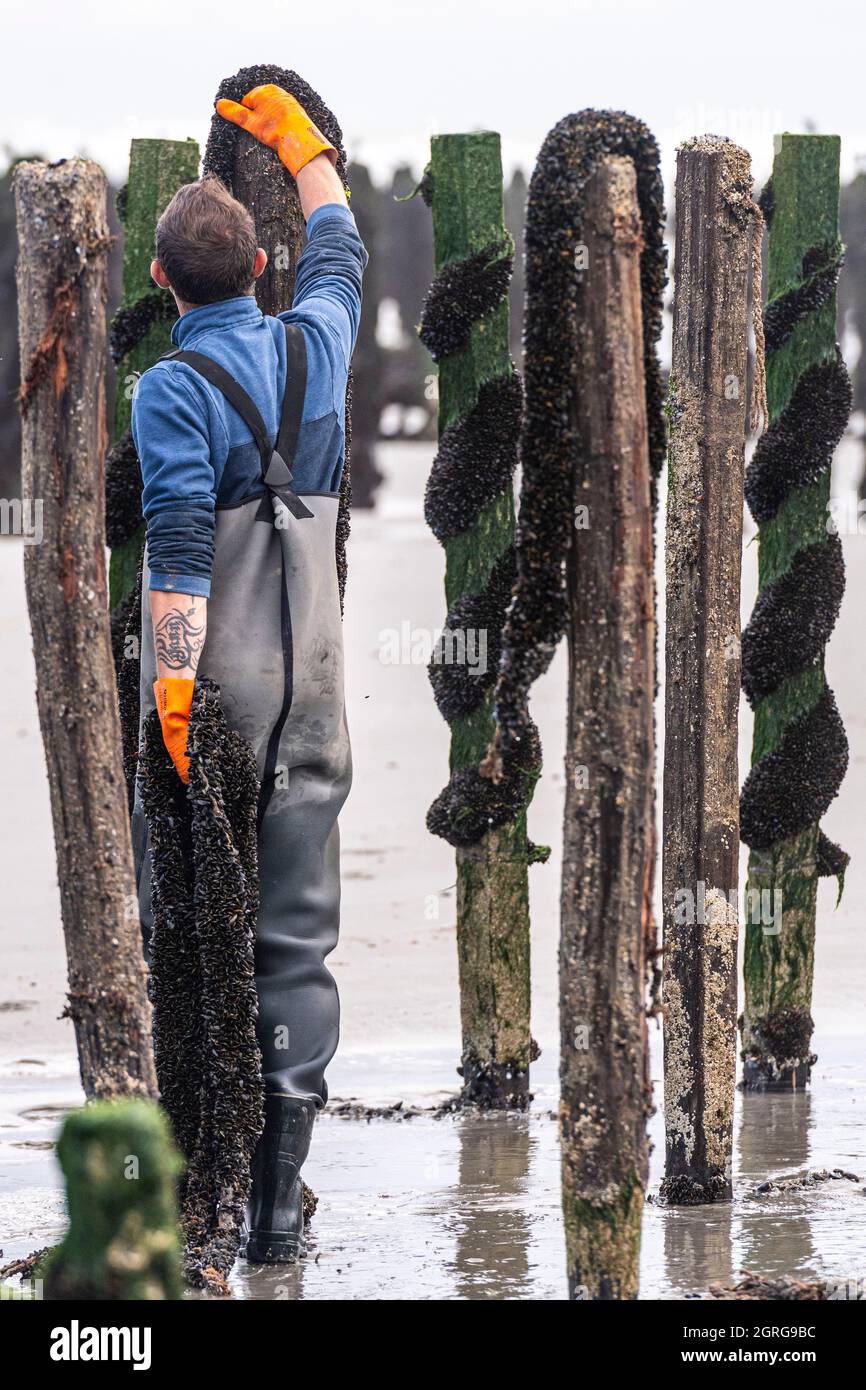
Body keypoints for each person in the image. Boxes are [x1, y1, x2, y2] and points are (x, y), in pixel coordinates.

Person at [130, 84, 367, 1262]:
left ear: (163, 284)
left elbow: (177, 550)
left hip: (216, 691)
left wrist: (174, 698)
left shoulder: (170, 387)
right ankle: (275, 1209)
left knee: (192, 929)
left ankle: (202, 1187)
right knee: (296, 937)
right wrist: (300, 143)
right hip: (314, 685)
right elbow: (345, 244)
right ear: (260, 263)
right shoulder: (316, 341)